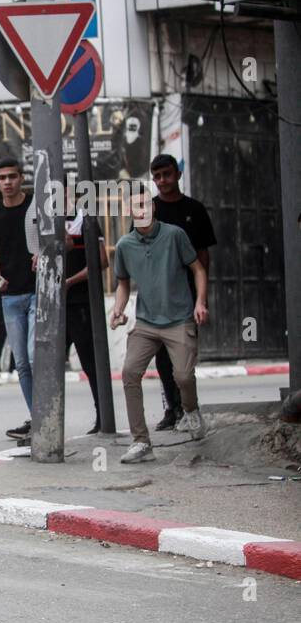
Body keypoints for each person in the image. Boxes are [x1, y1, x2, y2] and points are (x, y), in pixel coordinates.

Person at [112, 188, 209, 463]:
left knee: (183, 377)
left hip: (179, 319)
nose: (140, 210)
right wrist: (118, 309)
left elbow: (198, 269)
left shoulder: (175, 235)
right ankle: (141, 442)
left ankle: (190, 411)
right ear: (130, 211)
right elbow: (122, 284)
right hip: (145, 322)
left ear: (153, 208)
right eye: (135, 206)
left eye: (145, 205)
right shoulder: (124, 246)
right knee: (130, 372)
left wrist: (200, 302)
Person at [149, 153, 216, 431]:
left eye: (167, 174)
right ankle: (171, 409)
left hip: (187, 293)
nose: (163, 180)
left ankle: (190, 408)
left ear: (177, 174)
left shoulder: (195, 209)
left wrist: (201, 297)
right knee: (162, 356)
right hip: (156, 295)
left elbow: (203, 257)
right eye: (157, 176)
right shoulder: (148, 209)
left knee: (184, 357)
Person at [0, 157, 36, 441]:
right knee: (22, 364)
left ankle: (46, 415)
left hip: (38, 292)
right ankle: (37, 419)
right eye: (2, 178)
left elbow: (58, 239)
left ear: (22, 178)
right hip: (9, 296)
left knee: (35, 358)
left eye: (12, 176)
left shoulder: (35, 205)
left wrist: (44, 251)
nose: (7, 182)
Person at [63, 211, 108, 433]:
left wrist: (70, 281)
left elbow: (101, 261)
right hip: (53, 308)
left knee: (91, 364)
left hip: (81, 303)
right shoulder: (44, 222)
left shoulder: (86, 221)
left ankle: (103, 417)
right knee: (40, 364)